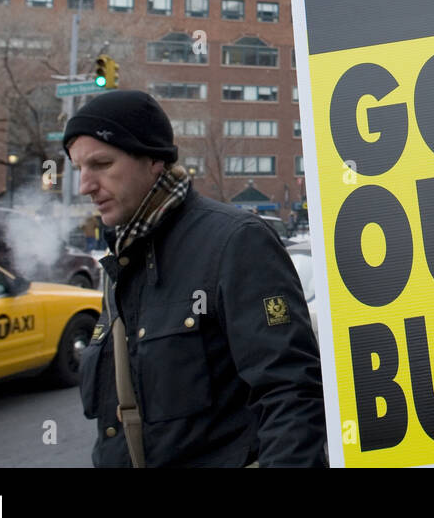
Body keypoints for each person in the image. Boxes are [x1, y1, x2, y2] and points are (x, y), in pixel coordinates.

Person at [65, 91, 327, 467]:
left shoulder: (236, 242)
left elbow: (291, 394)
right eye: (78, 169)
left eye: (101, 164)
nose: (85, 185)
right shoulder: (121, 262)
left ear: (154, 159)